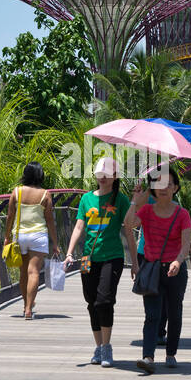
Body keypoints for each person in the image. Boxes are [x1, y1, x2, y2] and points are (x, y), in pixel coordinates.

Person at [63, 157, 136, 367]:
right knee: (91, 302)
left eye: (107, 175)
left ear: (115, 177)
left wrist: (135, 263)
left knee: (104, 300)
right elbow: (79, 227)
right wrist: (69, 253)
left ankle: (107, 346)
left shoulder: (120, 199)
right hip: (88, 257)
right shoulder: (86, 199)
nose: (103, 178)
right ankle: (98, 347)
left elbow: (130, 229)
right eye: (99, 174)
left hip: (112, 257)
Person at [126, 168, 191, 374]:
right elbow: (128, 224)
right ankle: (148, 356)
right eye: (159, 184)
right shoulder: (146, 211)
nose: (164, 188)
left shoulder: (182, 214)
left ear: (175, 188)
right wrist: (134, 200)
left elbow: (185, 245)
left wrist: (178, 261)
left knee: (175, 312)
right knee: (152, 315)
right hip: (152, 268)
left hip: (175, 270)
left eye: (169, 184)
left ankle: (171, 353)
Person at [4, 163, 59, 320]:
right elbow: (49, 220)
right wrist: (55, 243)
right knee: (33, 271)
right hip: (38, 236)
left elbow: (10, 217)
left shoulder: (17, 192)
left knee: (23, 273)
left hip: (20, 236)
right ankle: (29, 308)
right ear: (40, 175)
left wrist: (7, 237)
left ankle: (25, 305)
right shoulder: (45, 194)